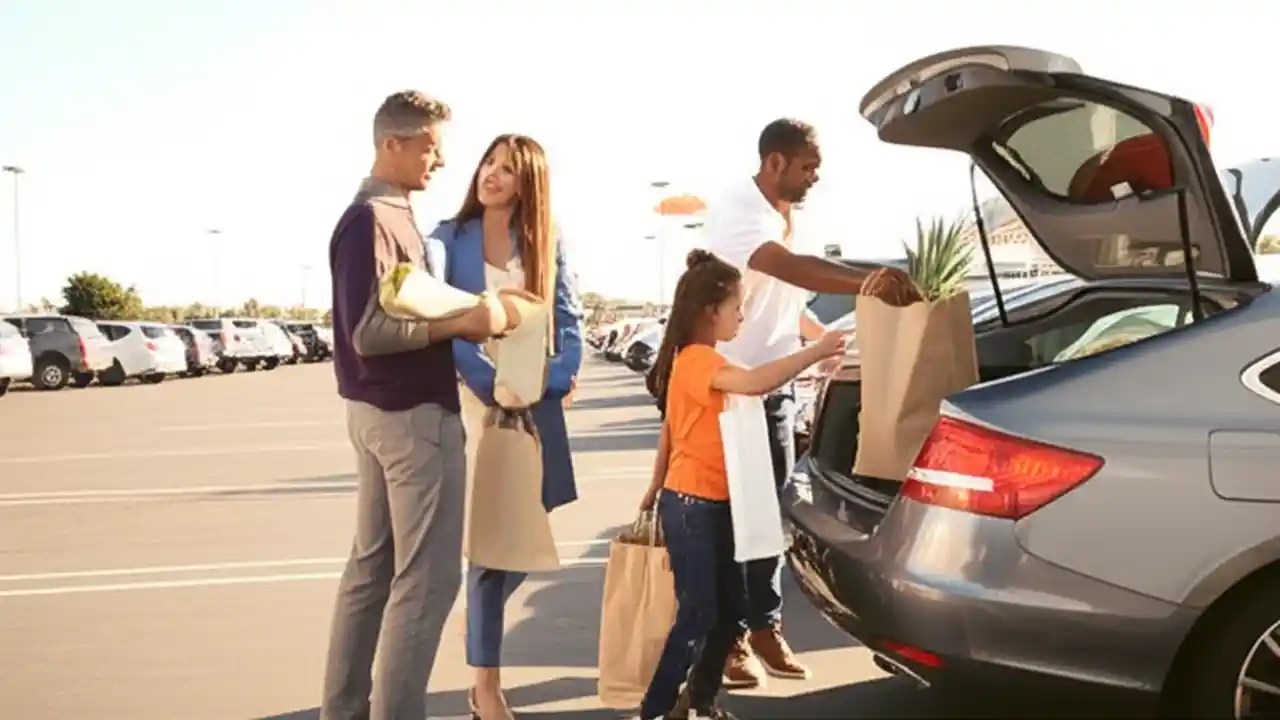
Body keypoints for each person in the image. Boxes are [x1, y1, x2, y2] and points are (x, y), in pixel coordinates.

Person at [320, 90, 510, 720]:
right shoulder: (371, 221)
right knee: (426, 585)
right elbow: (368, 334)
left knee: (372, 573)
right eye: (430, 145)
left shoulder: (390, 215)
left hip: (383, 416)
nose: (443, 158)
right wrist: (460, 323)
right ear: (391, 144)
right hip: (408, 421)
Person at [703, 118, 911, 688]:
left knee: (767, 518)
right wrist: (873, 281)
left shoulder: (795, 216)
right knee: (729, 520)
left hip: (774, 388)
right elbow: (785, 266)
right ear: (775, 162)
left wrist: (822, 342)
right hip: (728, 390)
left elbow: (782, 297)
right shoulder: (740, 209)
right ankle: (730, 642)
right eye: (806, 168)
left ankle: (765, 627)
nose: (813, 178)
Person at [632, 250, 847, 720]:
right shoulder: (697, 361)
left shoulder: (698, 360)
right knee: (699, 612)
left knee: (729, 610)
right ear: (711, 311)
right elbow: (752, 384)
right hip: (693, 507)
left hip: (712, 502)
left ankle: (702, 701)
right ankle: (656, 709)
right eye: (737, 307)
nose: (743, 316)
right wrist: (815, 349)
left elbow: (673, 427)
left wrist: (654, 482)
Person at [433, 134, 583, 720]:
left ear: (528, 185)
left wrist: (559, 376)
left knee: (529, 529)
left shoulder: (546, 241)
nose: (490, 175)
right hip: (483, 399)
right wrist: (483, 380)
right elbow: (442, 318)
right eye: (488, 163)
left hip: (538, 395)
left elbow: (568, 318)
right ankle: (486, 682)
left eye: (506, 169)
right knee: (495, 545)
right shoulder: (448, 239)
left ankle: (481, 620)